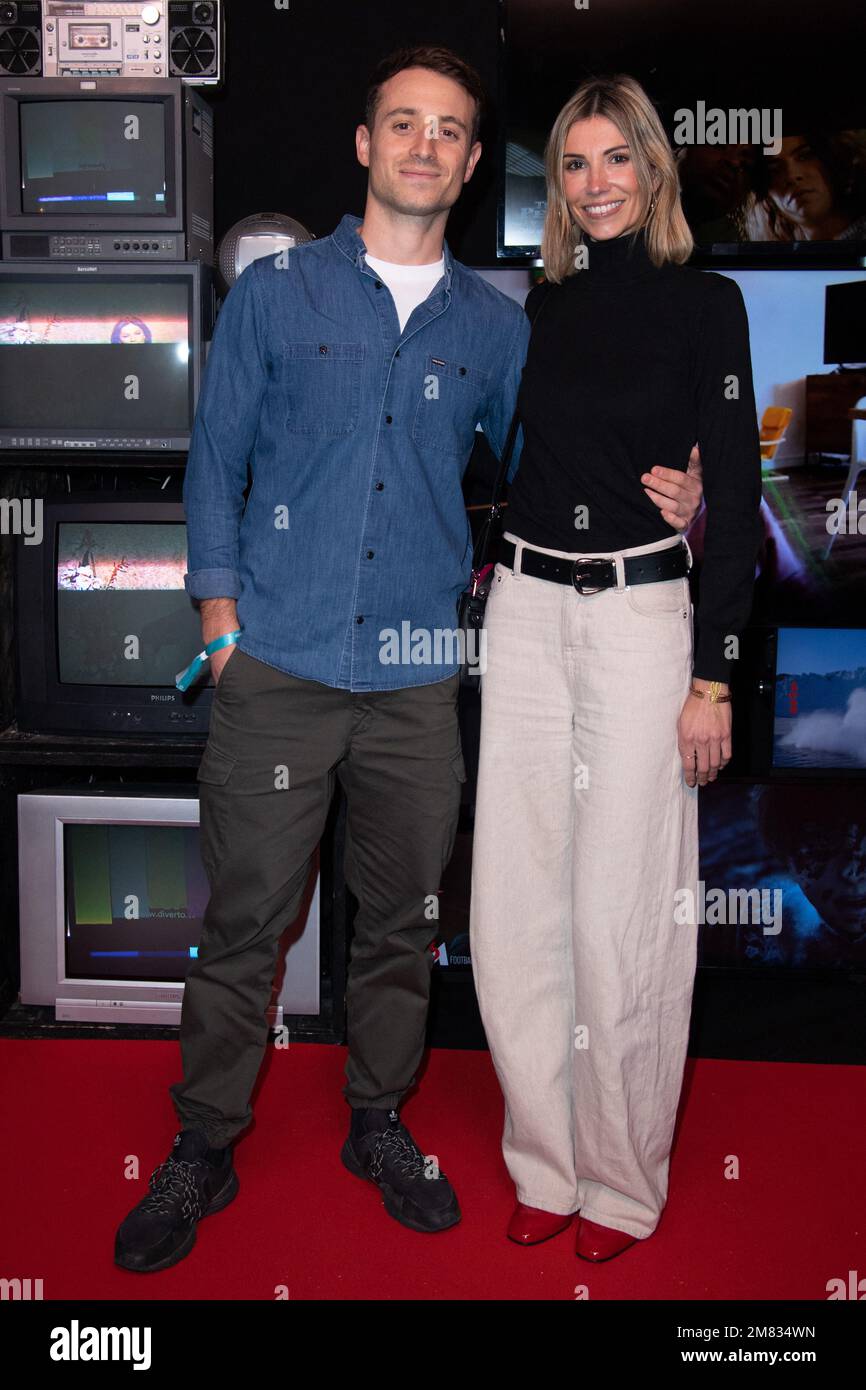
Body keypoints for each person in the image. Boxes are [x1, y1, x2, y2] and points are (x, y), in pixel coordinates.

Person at [114, 48, 703, 1275]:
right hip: (273, 664)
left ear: (473, 161)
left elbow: (555, 462)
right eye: (404, 125)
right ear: (365, 144)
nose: (425, 146)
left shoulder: (495, 327)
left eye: (449, 131)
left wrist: (682, 487)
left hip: (417, 683)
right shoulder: (278, 295)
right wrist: (219, 627)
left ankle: (376, 1122)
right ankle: (203, 1140)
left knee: (402, 927)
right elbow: (215, 463)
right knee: (244, 928)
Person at [469, 73, 763, 1262]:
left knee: (621, 914)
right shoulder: (532, 310)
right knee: (512, 907)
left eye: (615, 160)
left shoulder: (707, 306)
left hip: (645, 622)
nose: (593, 184)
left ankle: (622, 1179)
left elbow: (733, 499)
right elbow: (497, 463)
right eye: (573, 164)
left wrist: (714, 675)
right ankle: (543, 1157)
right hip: (527, 611)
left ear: (652, 170)